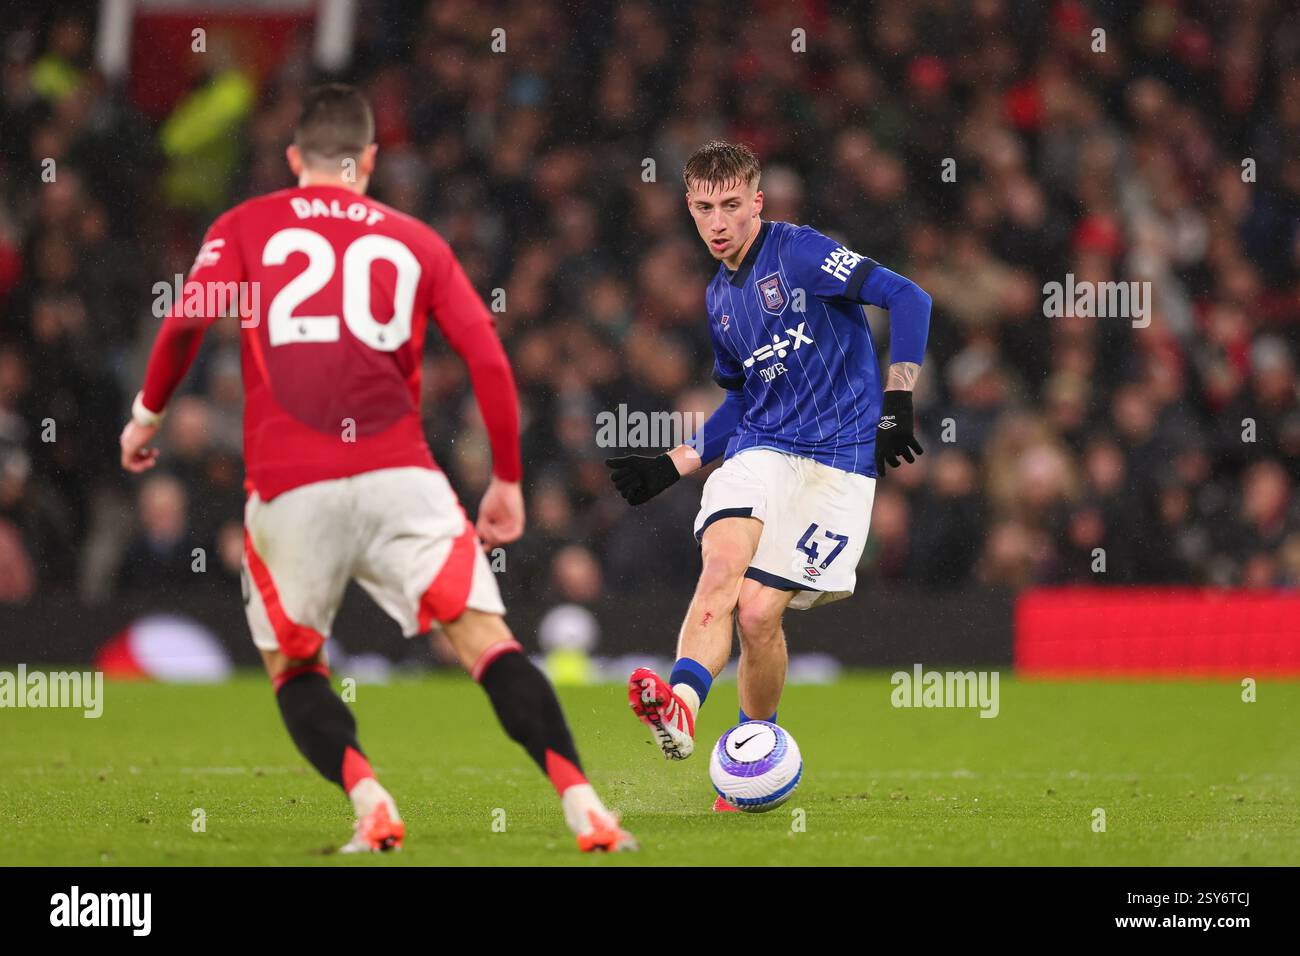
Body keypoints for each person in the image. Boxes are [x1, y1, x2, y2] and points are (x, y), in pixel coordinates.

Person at [120, 84, 634, 853]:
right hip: (405, 479)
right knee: (488, 643)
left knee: (294, 668)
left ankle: (370, 802)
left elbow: (187, 322)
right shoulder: (416, 240)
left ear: (296, 159)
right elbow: (488, 357)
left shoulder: (244, 226)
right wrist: (507, 478)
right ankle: (584, 804)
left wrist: (147, 416)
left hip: (292, 487)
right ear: (369, 161)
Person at [606, 142, 931, 810]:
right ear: (689, 209)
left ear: (757, 202)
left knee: (758, 614)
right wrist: (673, 465)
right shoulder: (719, 300)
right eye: (703, 207)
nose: (718, 220)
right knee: (721, 568)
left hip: (838, 465)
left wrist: (898, 400)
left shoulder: (802, 253)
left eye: (731, 205)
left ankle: (757, 742)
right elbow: (744, 403)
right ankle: (684, 709)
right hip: (763, 451)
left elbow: (908, 296)